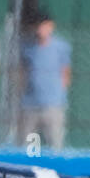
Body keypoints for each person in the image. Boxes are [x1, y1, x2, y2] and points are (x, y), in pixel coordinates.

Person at [18, 10, 71, 151]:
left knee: (55, 146)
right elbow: (22, 71)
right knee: (30, 149)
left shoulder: (61, 47)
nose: (41, 29)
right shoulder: (27, 47)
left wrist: (58, 95)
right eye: (38, 25)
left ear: (51, 26)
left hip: (52, 106)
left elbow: (65, 73)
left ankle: (55, 172)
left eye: (44, 25)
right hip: (30, 106)